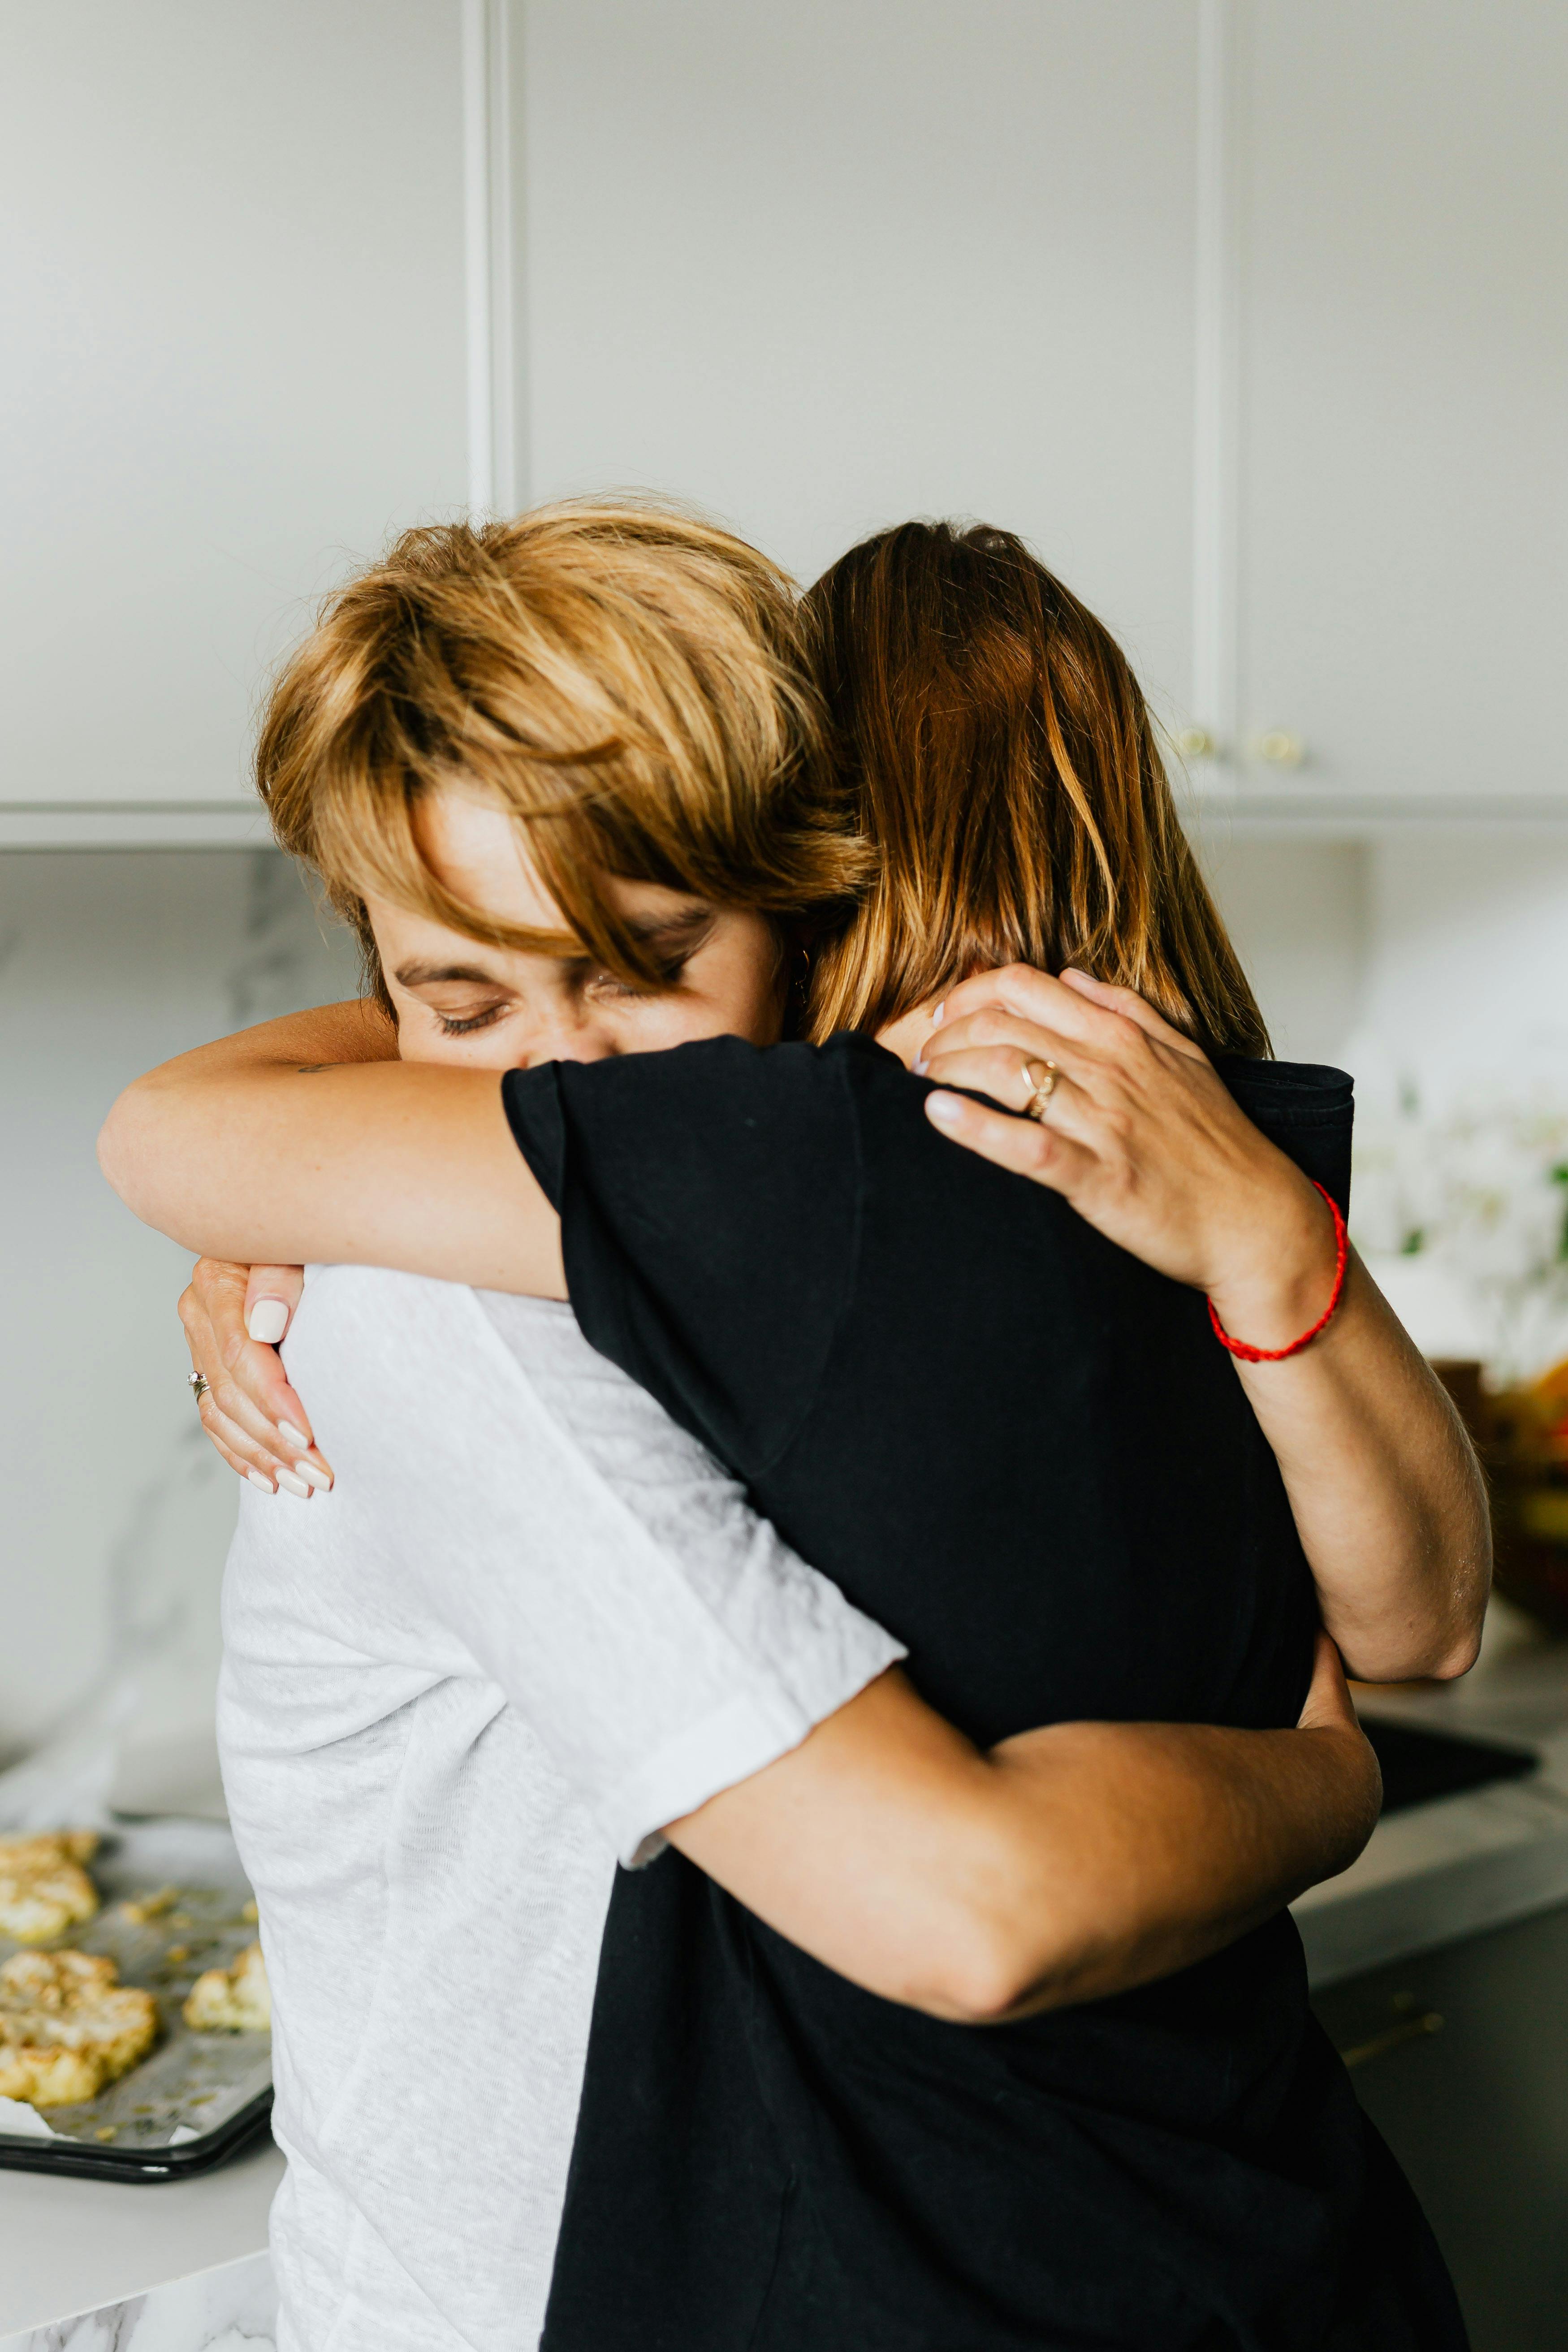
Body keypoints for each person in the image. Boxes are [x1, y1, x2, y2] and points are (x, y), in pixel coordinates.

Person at [99, 505, 1486, 2349]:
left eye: (649, 957)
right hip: (1190, 2241)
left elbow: (179, 1130)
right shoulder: (1168, 1150)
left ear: (806, 901)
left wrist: (337, 1136)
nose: (562, 1074)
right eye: (461, 991)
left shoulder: (793, 1192)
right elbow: (1416, 1626)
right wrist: (1320, 1762)